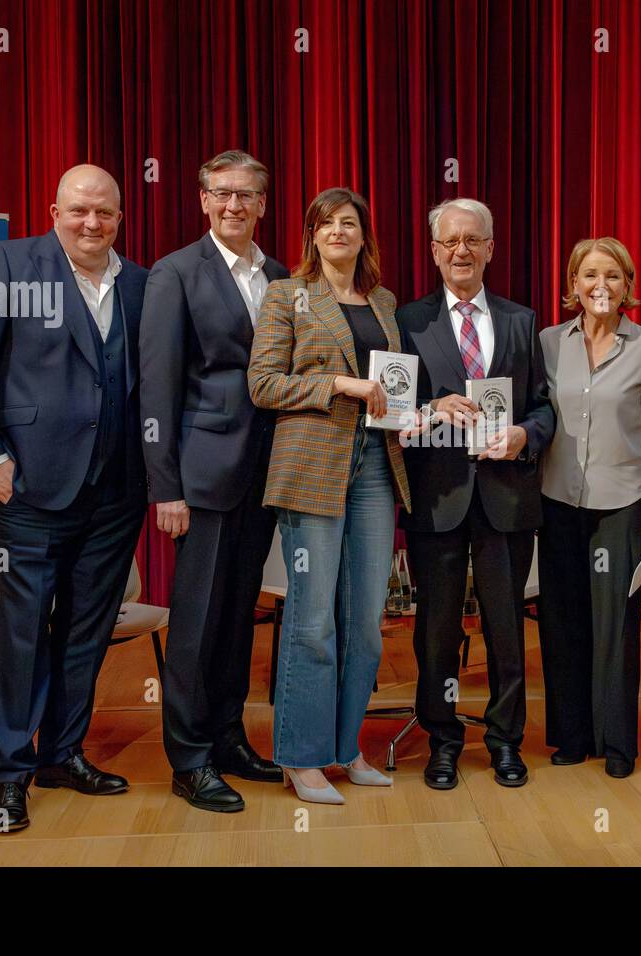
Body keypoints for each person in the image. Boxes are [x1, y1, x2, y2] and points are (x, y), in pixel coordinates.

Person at [0, 165, 148, 832]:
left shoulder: (140, 284)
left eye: (106, 213)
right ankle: (10, 774)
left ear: (121, 216)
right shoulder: (6, 265)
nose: (93, 223)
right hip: (27, 484)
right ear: (53, 209)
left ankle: (62, 753)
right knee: (23, 631)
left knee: (87, 630)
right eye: (80, 210)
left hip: (116, 492)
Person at [248, 187, 410, 805]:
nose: (339, 231)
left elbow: (391, 387)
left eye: (350, 223)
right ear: (312, 235)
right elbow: (262, 383)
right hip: (312, 467)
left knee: (367, 622)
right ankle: (302, 756)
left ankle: (347, 748)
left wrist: (409, 413)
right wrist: (339, 383)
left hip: (375, 465)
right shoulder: (287, 296)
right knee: (313, 620)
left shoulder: (385, 301)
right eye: (327, 223)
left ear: (365, 235)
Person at [139, 150, 290, 813]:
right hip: (201, 480)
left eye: (247, 195)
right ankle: (190, 759)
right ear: (202, 200)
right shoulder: (174, 274)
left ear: (263, 204)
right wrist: (164, 485)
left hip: (267, 475)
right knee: (197, 623)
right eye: (222, 193)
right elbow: (157, 385)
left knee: (238, 619)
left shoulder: (283, 276)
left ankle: (228, 737)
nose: (234, 205)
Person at [397, 198, 555, 790]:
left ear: (491, 247)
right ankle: (441, 740)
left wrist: (524, 435)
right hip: (436, 499)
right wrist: (430, 408)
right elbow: (390, 409)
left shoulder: (521, 320)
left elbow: (544, 406)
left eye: (473, 240)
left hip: (506, 497)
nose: (461, 251)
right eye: (450, 242)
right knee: (436, 629)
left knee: (505, 627)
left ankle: (505, 741)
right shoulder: (408, 320)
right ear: (434, 252)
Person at [538, 237, 641, 778]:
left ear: (628, 288)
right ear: (573, 284)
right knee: (562, 620)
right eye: (590, 275)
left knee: (616, 625)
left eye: (613, 276)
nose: (601, 286)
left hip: (623, 501)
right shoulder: (549, 342)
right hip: (556, 501)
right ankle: (572, 736)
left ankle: (618, 742)